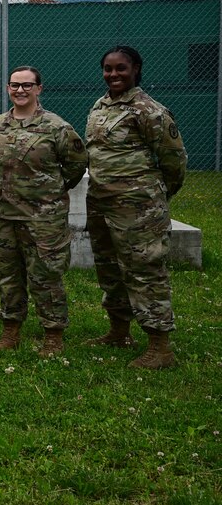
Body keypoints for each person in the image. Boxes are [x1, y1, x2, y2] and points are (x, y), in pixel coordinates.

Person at [85, 46, 187, 369]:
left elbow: (174, 161)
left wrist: (154, 197)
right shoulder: (101, 106)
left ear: (136, 69)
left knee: (145, 272)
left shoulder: (148, 110)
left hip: (139, 210)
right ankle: (119, 331)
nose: (113, 75)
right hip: (102, 204)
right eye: (108, 69)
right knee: (110, 269)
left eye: (121, 69)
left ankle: (160, 346)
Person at [0, 65, 87, 357]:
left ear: (39, 88)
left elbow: (76, 164)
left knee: (46, 276)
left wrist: (49, 192)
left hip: (43, 220)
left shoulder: (57, 128)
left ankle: (53, 334)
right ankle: (11, 329)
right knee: (7, 275)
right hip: (2, 216)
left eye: (27, 85)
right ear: (8, 89)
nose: (20, 90)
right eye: (15, 85)